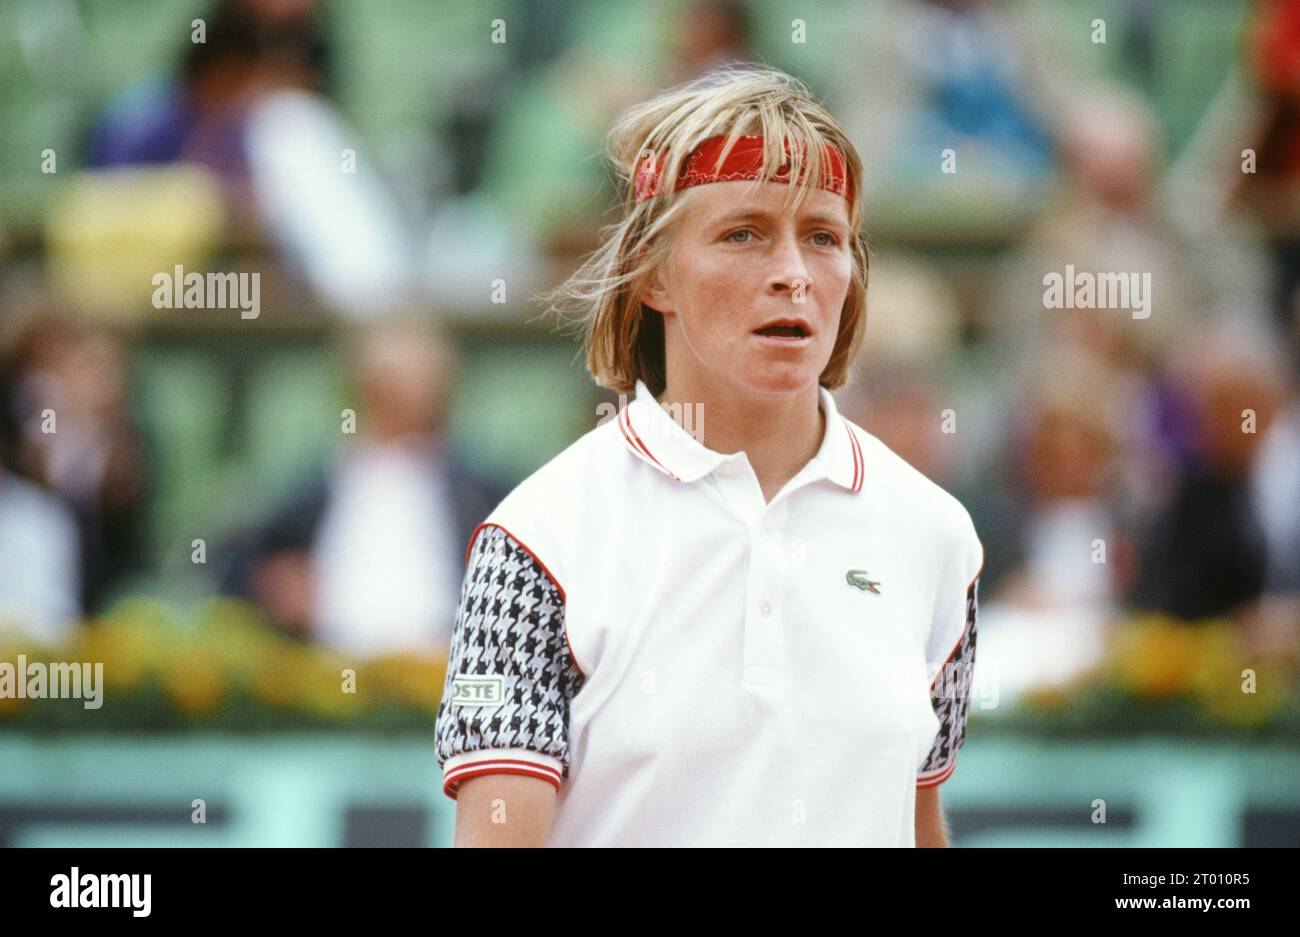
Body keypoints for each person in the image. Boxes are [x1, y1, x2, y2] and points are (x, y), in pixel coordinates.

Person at [433, 64, 984, 847]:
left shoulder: (938, 536)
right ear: (655, 273)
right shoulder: (536, 540)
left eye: (823, 237)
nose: (793, 274)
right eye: (744, 233)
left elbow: (918, 821)